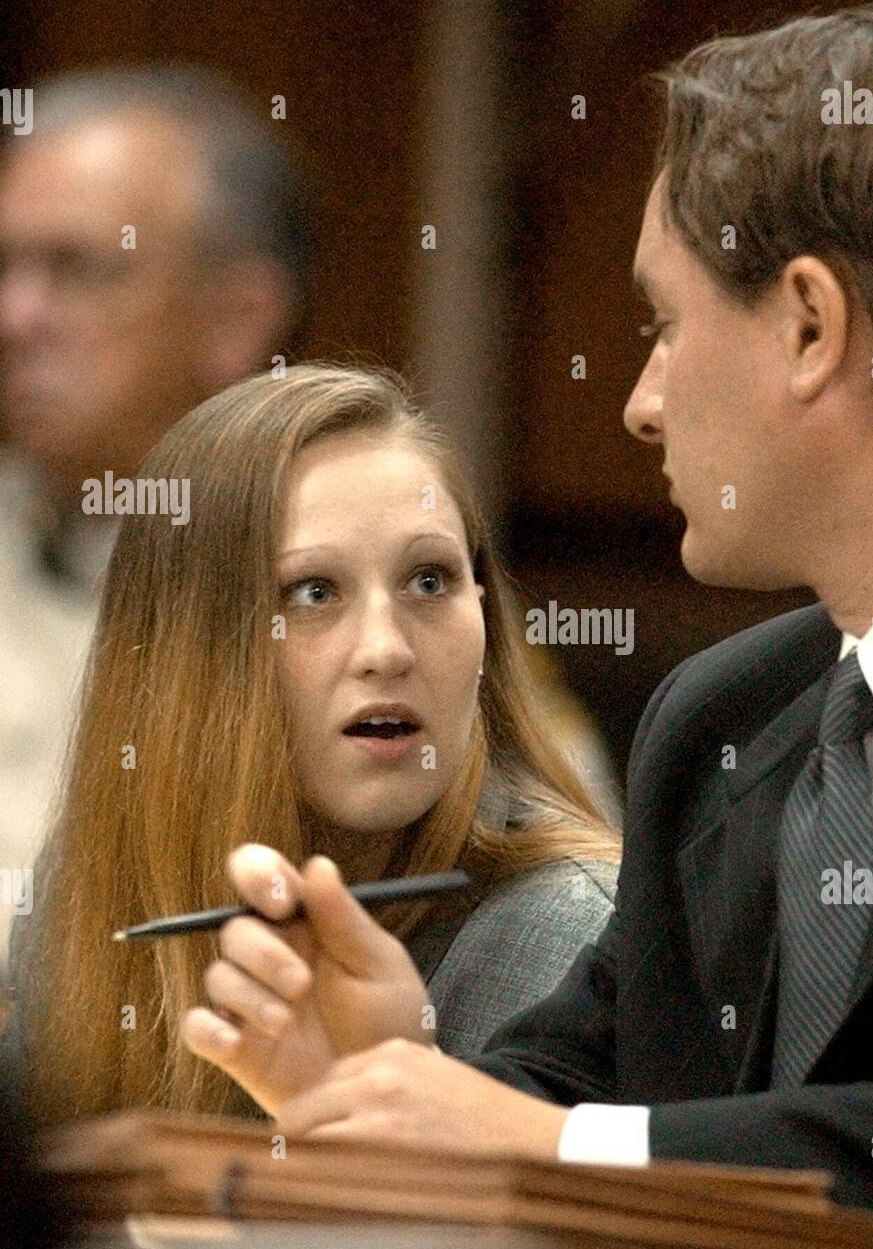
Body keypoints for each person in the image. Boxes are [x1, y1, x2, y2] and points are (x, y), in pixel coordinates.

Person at [183, 0, 873, 1209]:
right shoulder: (724, 717)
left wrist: (542, 1145)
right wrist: (399, 1085)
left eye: (662, 324)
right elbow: (584, 1086)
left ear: (809, 327)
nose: (641, 401)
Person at [5, 364, 618, 1125]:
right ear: (182, 652)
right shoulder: (84, 888)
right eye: (314, 594)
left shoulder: (566, 929)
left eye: (429, 582)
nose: (386, 649)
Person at [0, 64, 312, 976]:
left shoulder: (362, 589)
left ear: (236, 318)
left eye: (78, 269)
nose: (16, 316)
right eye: (6, 266)